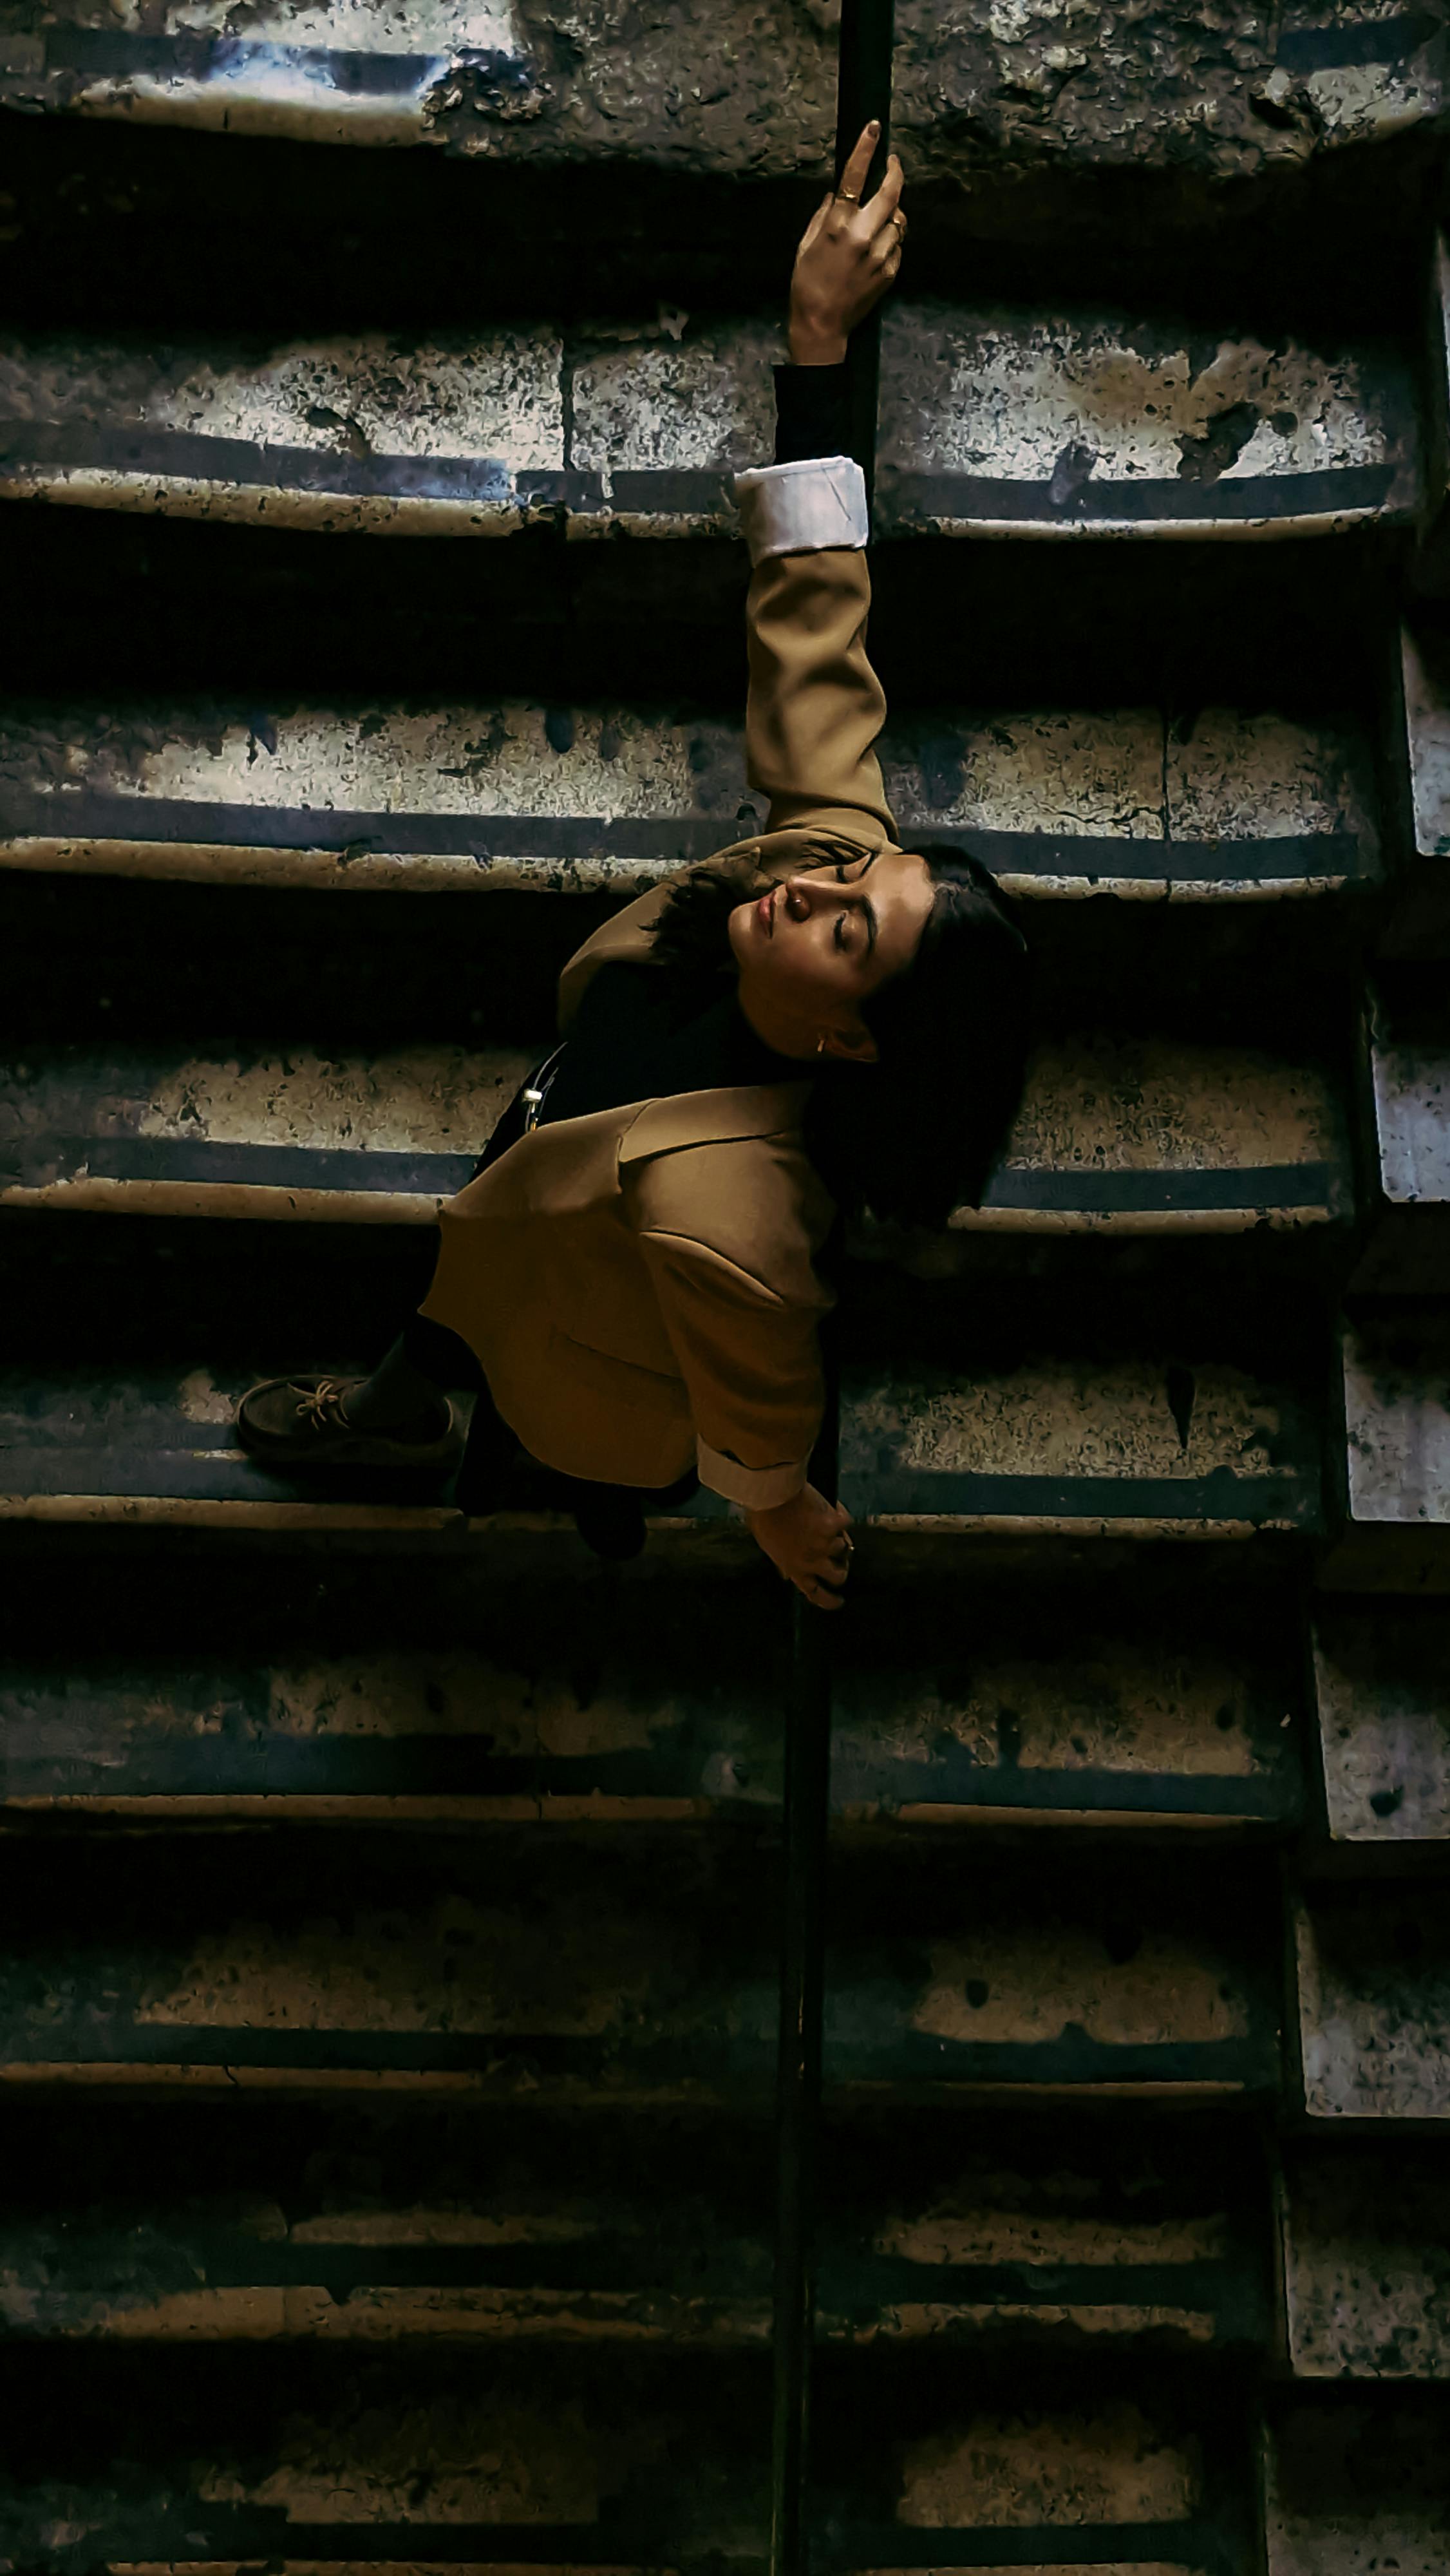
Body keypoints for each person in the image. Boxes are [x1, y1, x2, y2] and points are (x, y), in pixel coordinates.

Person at [237, 124, 1031, 1611]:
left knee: (568, 1452)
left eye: (850, 935)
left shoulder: (736, 1228)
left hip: (593, 1334)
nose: (815, 889)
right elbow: (815, 627)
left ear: (854, 1037)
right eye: (870, 878)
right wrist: (811, 339)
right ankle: (401, 1398)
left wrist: (777, 1508)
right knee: (449, 1291)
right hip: (541, 1161)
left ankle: (507, 1473)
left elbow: (755, 1403)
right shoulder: (817, 863)